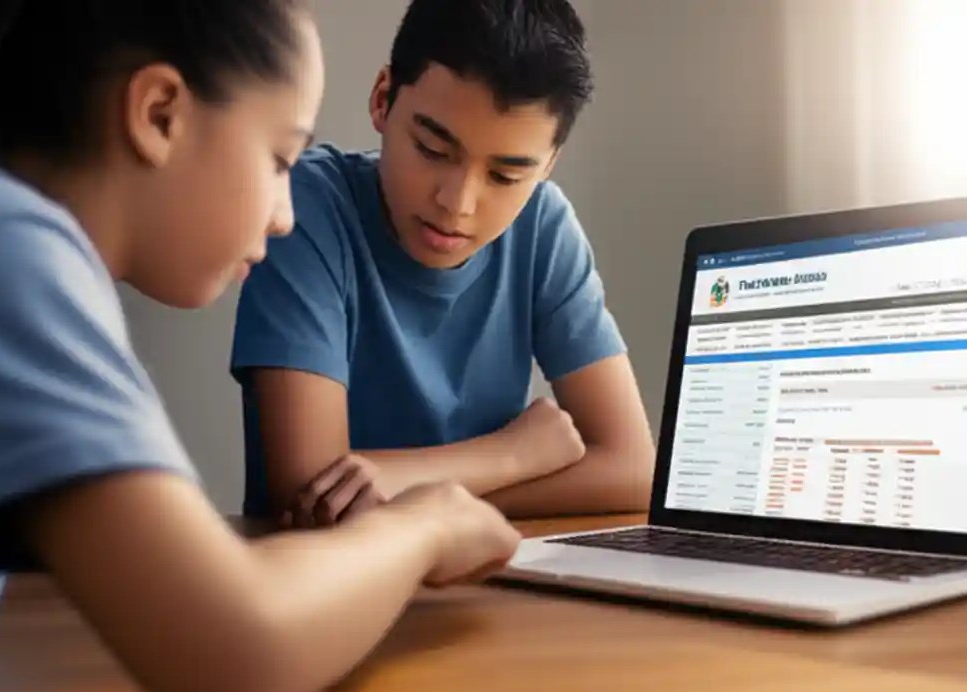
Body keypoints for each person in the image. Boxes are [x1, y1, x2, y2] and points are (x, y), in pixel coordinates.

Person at [0, 2, 519, 692]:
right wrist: (427, 526)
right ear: (160, 114)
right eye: (279, 160)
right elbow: (237, 652)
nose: (284, 214)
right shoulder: (9, 256)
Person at [231, 0, 656, 529]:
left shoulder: (543, 228)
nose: (457, 204)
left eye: (505, 177)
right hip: (323, 569)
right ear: (383, 99)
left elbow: (634, 468)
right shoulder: (306, 209)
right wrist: (513, 455)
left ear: (548, 164)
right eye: (433, 149)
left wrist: (423, 494)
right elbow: (314, 491)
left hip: (480, 564)